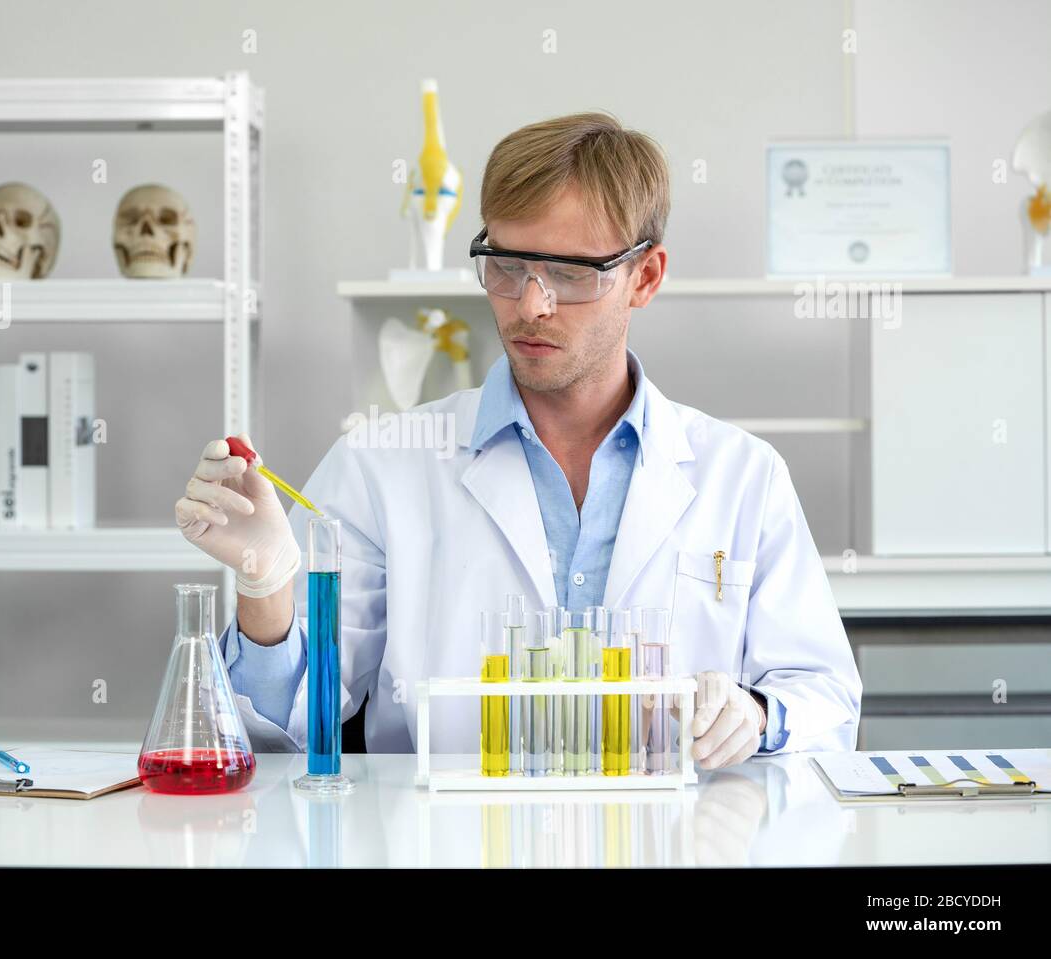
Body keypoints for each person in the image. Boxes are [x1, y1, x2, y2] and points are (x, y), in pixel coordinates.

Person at [176, 112, 861, 767]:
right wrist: (265, 587)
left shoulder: (742, 475)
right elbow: (289, 734)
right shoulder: (381, 466)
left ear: (645, 276)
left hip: (676, 842)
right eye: (506, 265)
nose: (531, 304)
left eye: (568, 273)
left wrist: (759, 713)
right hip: (444, 845)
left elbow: (825, 697)